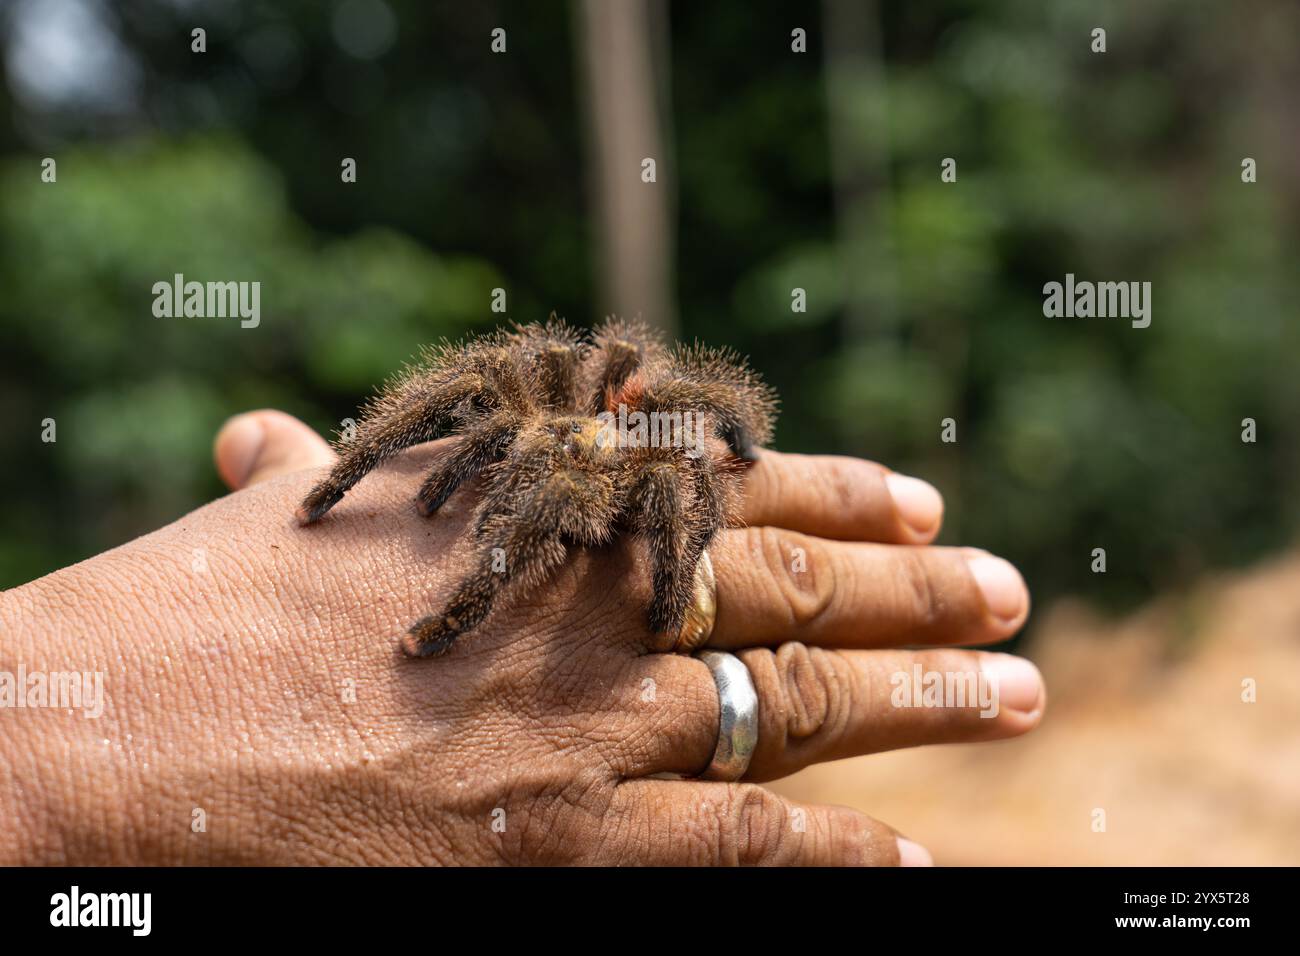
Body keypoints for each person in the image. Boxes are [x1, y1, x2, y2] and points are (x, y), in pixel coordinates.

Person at [0, 409, 1042, 865]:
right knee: (523, 435)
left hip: (634, 442)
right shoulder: (531, 439)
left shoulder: (649, 440)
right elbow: (481, 413)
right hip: (560, 436)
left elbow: (693, 439)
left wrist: (678, 581)